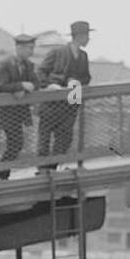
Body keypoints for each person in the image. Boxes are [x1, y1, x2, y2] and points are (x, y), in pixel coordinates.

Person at [0, 33, 39, 182]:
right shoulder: (5, 64)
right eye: (29, 48)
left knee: (16, 143)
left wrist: (24, 89)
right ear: (19, 48)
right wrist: (20, 86)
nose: (31, 52)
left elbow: (36, 83)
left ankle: (2, 174)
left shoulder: (29, 65)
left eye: (32, 48)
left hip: (15, 113)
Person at [37, 21, 92, 170]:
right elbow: (41, 72)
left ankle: (51, 168)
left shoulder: (83, 56)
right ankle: (42, 170)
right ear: (79, 36)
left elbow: (86, 78)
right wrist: (50, 85)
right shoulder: (57, 52)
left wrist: (75, 82)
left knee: (65, 139)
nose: (88, 39)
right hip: (51, 104)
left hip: (70, 105)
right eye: (87, 35)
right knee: (45, 137)